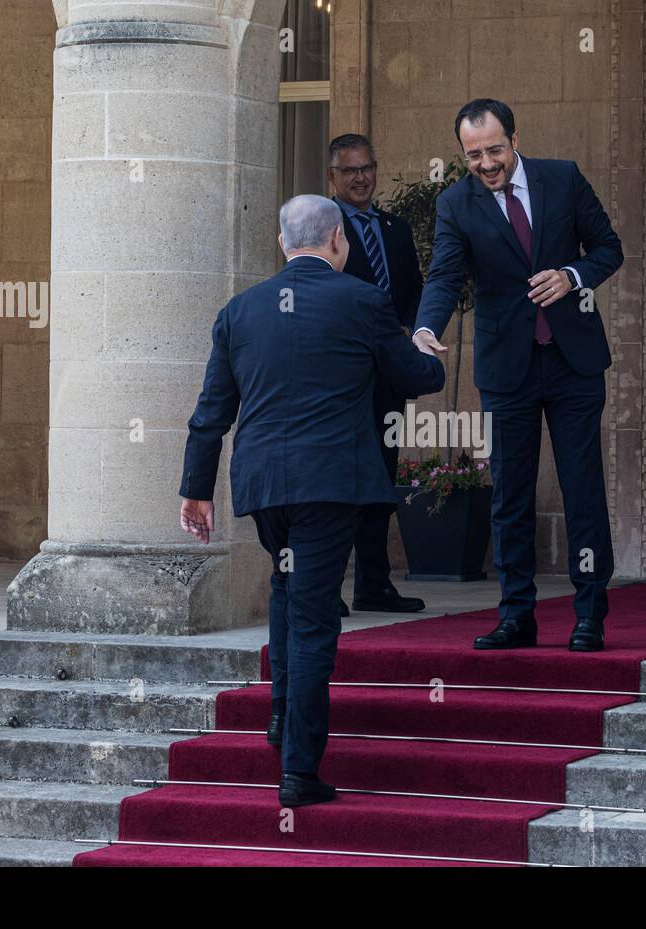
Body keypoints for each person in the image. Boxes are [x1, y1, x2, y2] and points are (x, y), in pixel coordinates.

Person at [177, 195, 445, 807]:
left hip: (265, 484)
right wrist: (427, 351)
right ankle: (299, 771)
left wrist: (195, 489)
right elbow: (415, 378)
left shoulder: (239, 310)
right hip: (330, 482)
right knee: (315, 616)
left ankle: (280, 718)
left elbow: (210, 414)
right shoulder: (362, 299)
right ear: (337, 241)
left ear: (281, 242)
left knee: (286, 586)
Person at [412, 98, 623, 652]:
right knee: (509, 495)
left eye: (495, 150)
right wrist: (424, 328)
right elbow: (444, 275)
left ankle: (589, 615)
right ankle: (516, 615)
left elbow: (608, 248)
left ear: (514, 139)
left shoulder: (562, 178)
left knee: (582, 490)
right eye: (473, 154)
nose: (486, 164)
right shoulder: (457, 203)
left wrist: (573, 275)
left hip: (573, 361)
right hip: (508, 367)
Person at [327, 132, 427, 616]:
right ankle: (327, 587)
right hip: (338, 378)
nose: (361, 178)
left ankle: (374, 584)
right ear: (333, 177)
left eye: (367, 168)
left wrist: (414, 335)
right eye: (350, 171)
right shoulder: (320, 228)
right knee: (338, 481)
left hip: (387, 376)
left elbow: (413, 294)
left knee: (379, 479)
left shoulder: (395, 228)